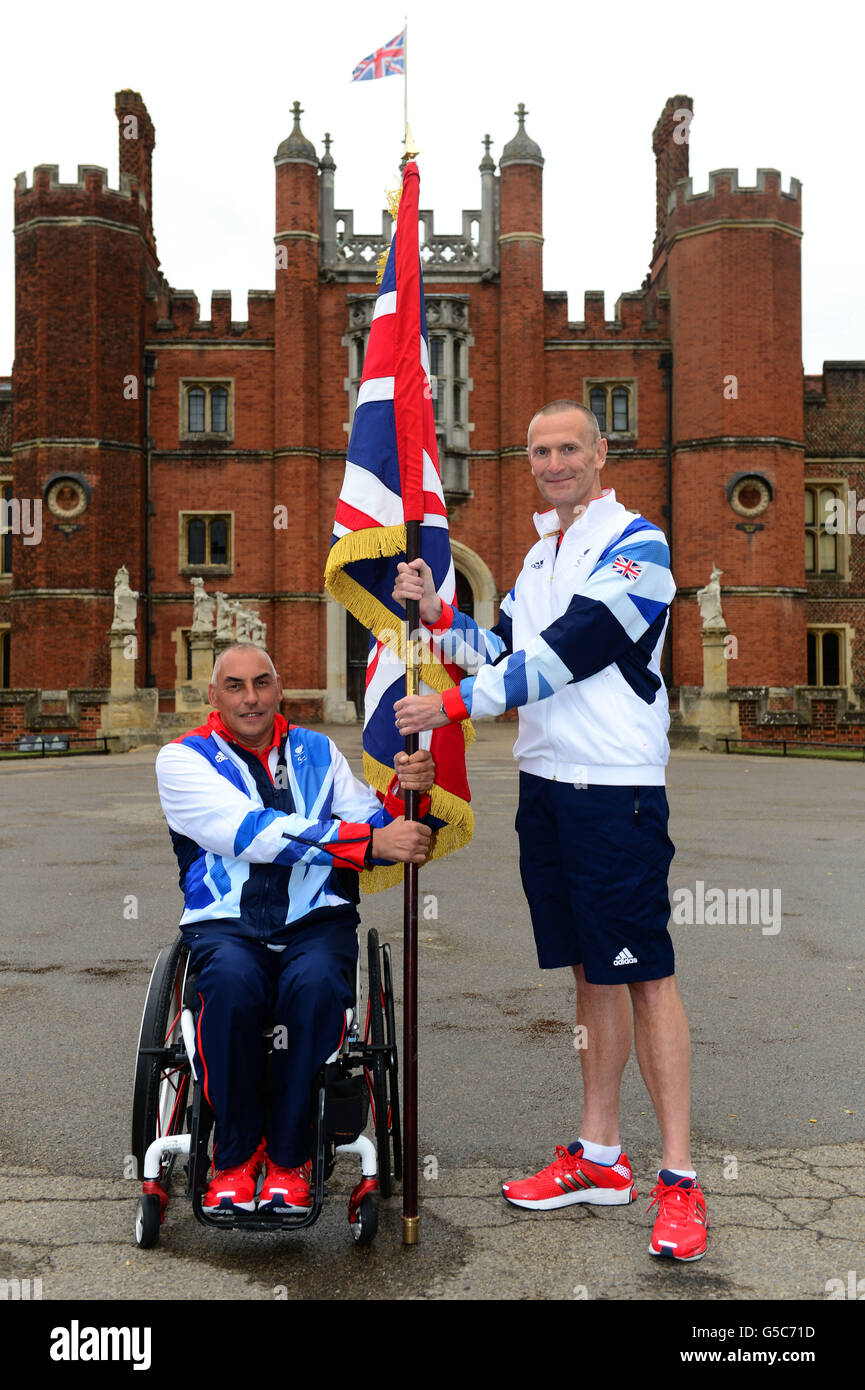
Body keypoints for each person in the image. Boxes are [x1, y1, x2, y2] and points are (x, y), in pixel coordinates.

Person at [392, 399, 708, 1262]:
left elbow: (576, 648)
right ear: (528, 460)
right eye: (541, 450)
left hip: (616, 791)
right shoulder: (539, 553)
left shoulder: (636, 545)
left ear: (601, 452)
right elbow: (502, 648)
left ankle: (678, 1178)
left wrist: (451, 701)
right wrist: (435, 619)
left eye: (570, 446)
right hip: (547, 786)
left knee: (645, 973)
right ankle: (600, 1155)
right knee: (589, 973)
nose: (556, 461)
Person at [155, 641, 433, 1215]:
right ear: (214, 695)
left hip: (315, 921)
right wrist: (366, 842)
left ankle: (290, 1157)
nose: (251, 698)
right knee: (230, 987)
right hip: (227, 925)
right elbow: (249, 832)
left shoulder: (318, 751)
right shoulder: (181, 760)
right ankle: (232, 1158)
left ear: (280, 689)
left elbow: (369, 821)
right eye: (235, 686)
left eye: (262, 683)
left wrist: (410, 794)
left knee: (313, 989)